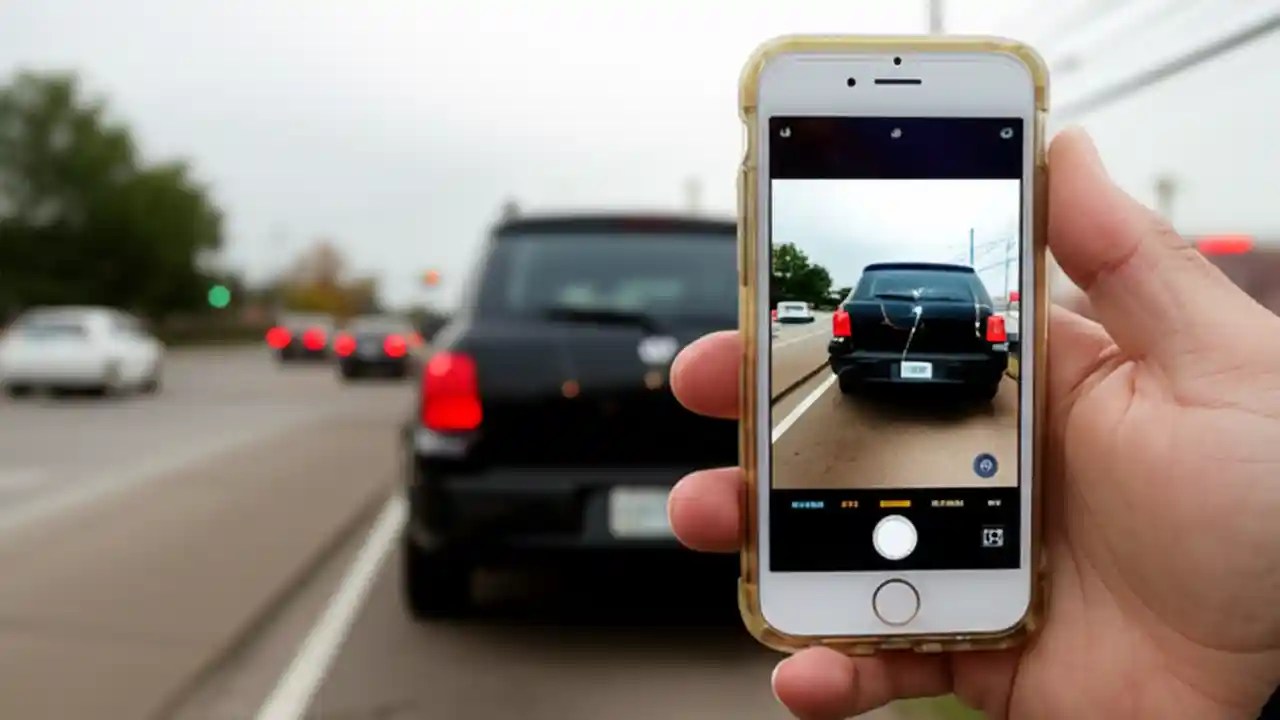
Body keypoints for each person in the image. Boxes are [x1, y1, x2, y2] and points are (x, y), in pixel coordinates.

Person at [666, 128, 1280, 720]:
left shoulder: (865, 301)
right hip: (962, 368)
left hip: (877, 364)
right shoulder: (973, 302)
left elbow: (854, 347)